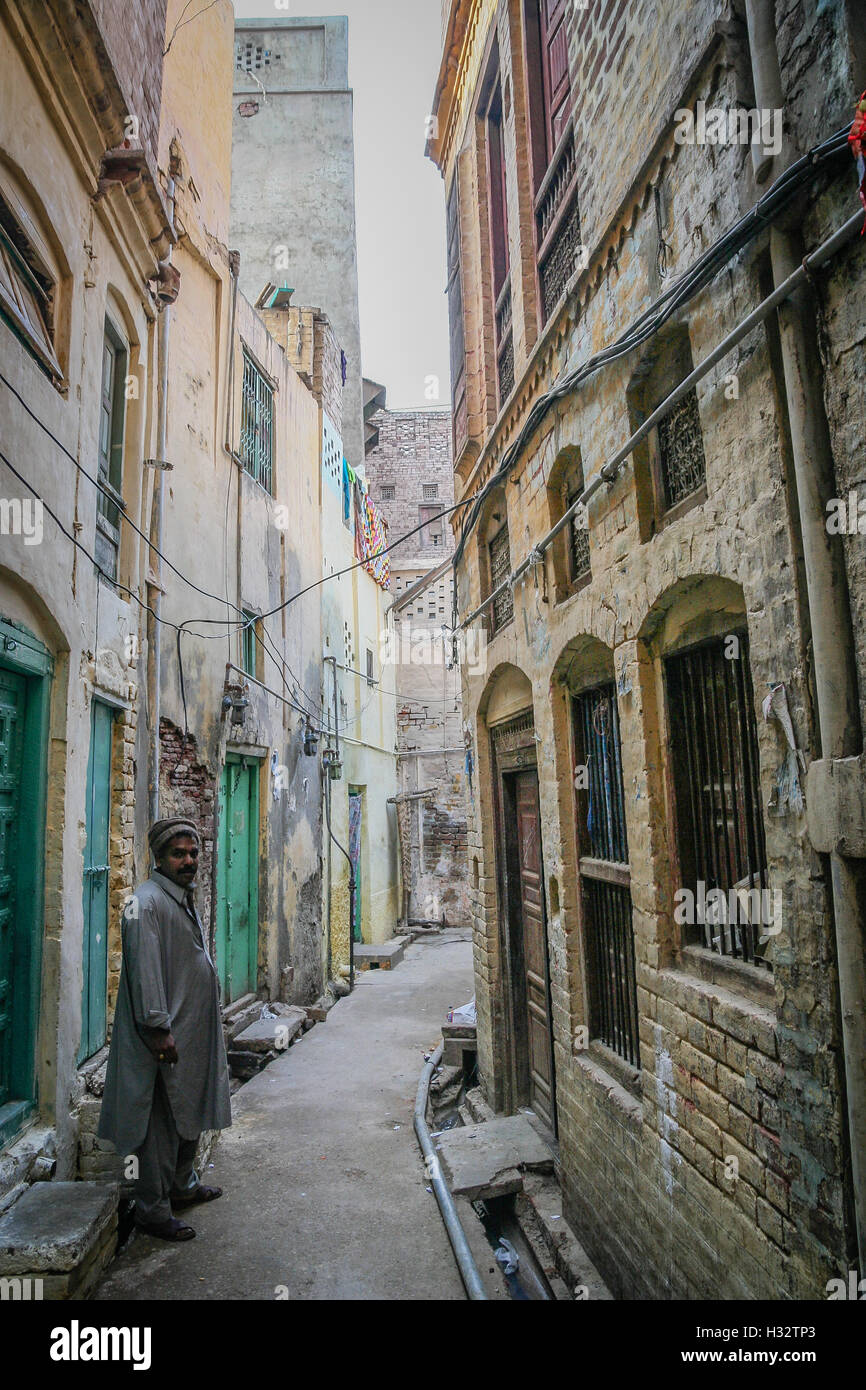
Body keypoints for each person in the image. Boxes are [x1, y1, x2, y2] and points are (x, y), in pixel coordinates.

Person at [98, 817, 232, 1241]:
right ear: (159, 857)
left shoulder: (179, 897)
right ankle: (152, 1213)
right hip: (164, 1039)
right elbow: (144, 971)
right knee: (157, 1126)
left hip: (192, 1033)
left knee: (187, 1114)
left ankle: (184, 1187)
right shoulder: (146, 902)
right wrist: (158, 1029)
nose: (189, 861)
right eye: (179, 854)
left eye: (193, 853)